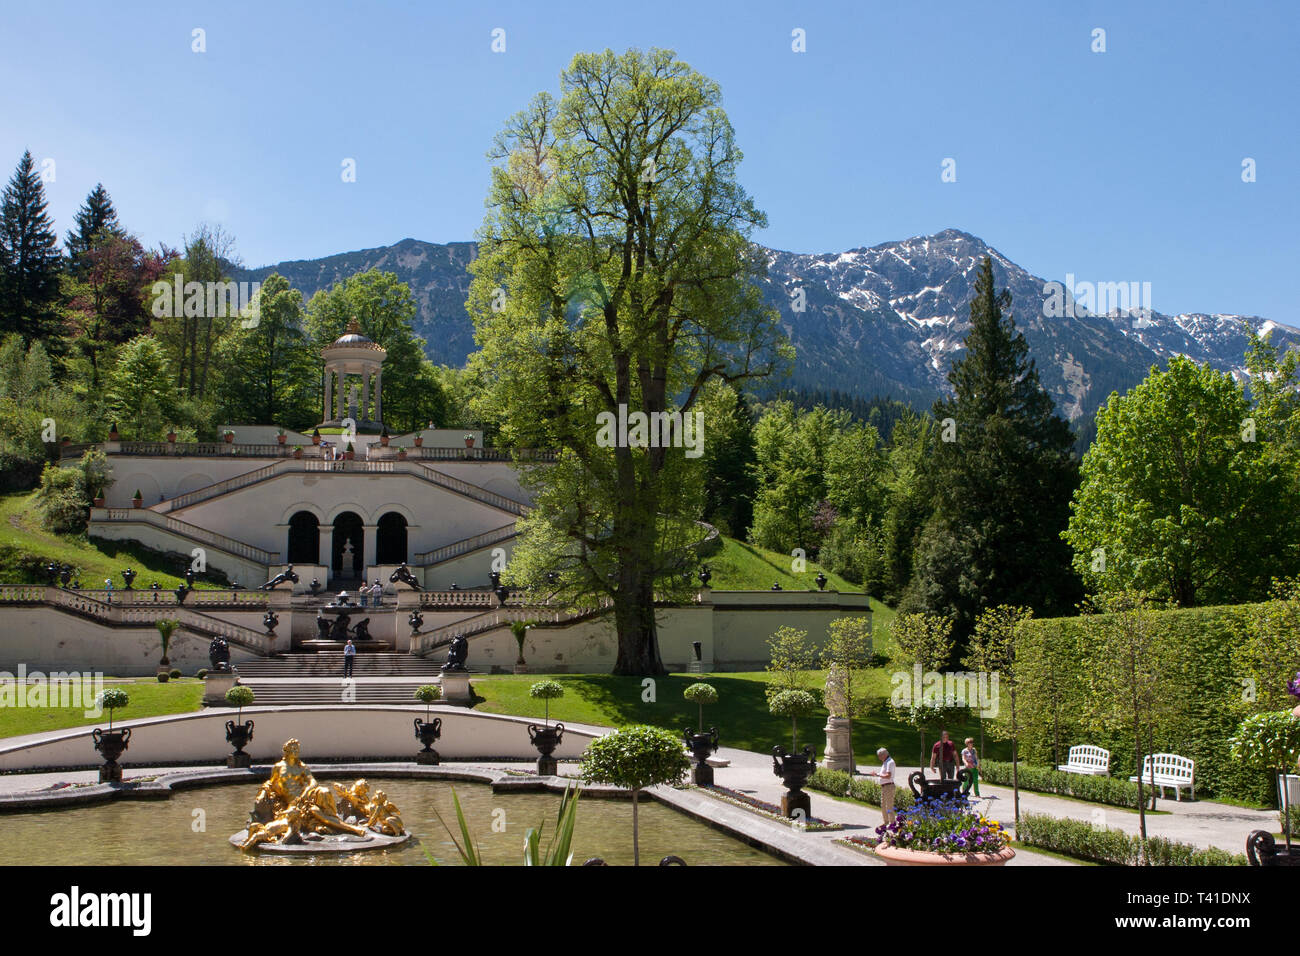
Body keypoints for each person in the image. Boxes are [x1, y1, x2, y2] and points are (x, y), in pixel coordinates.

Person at [867, 747, 897, 825]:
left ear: (884, 755)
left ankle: (892, 823)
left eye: (879, 756)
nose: (879, 757)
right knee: (883, 805)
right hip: (884, 786)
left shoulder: (890, 762)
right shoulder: (885, 762)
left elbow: (888, 775)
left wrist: (877, 774)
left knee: (889, 806)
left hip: (888, 786)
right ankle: (886, 822)